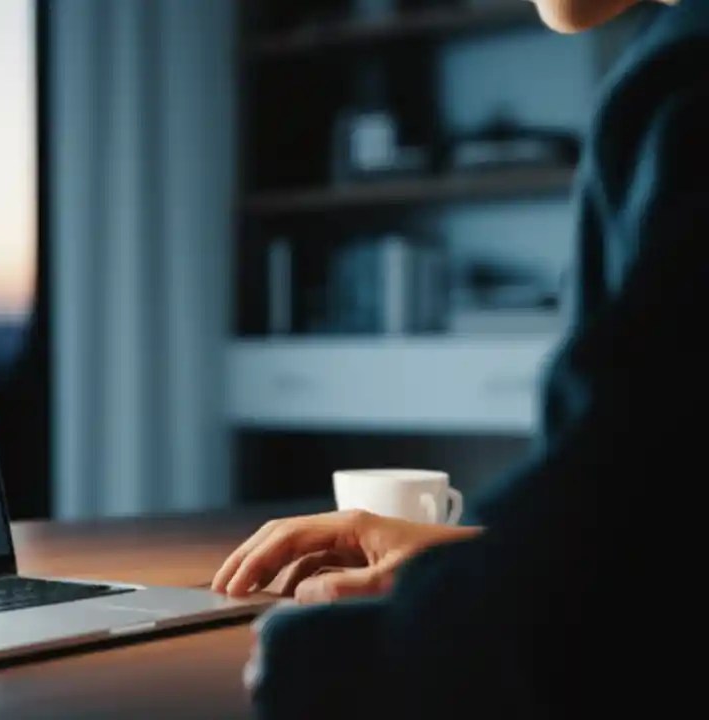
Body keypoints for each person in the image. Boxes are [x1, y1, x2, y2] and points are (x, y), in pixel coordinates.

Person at [212, 0, 708, 716]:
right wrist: (471, 556)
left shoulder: (686, 78)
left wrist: (336, 655)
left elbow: (605, 599)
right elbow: (668, 527)